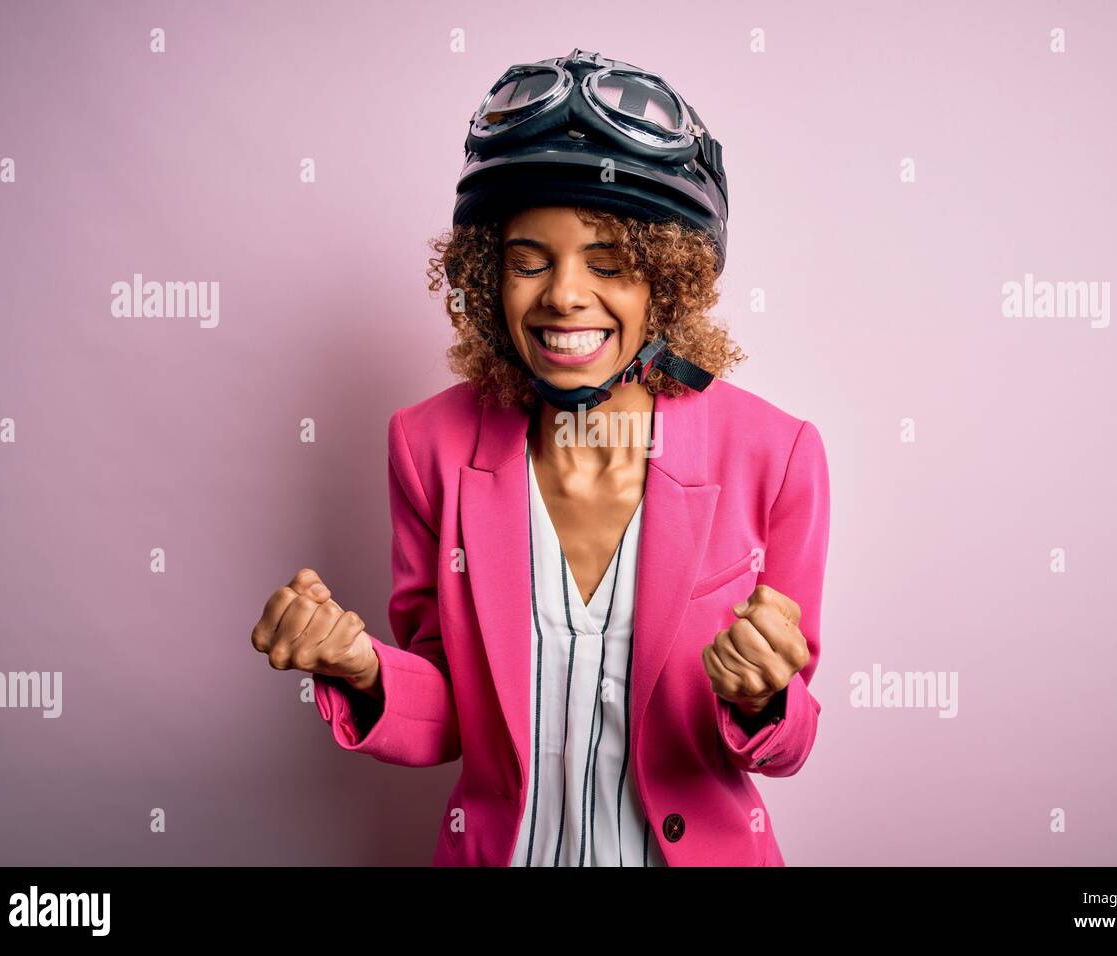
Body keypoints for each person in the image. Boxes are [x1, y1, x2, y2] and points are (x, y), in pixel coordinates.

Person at [251, 49, 831, 866]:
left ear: (667, 283)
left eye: (610, 263)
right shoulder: (427, 448)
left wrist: (765, 697)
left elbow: (791, 740)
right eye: (529, 260)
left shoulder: (778, 457)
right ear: (490, 275)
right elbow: (450, 713)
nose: (563, 294)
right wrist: (359, 665)